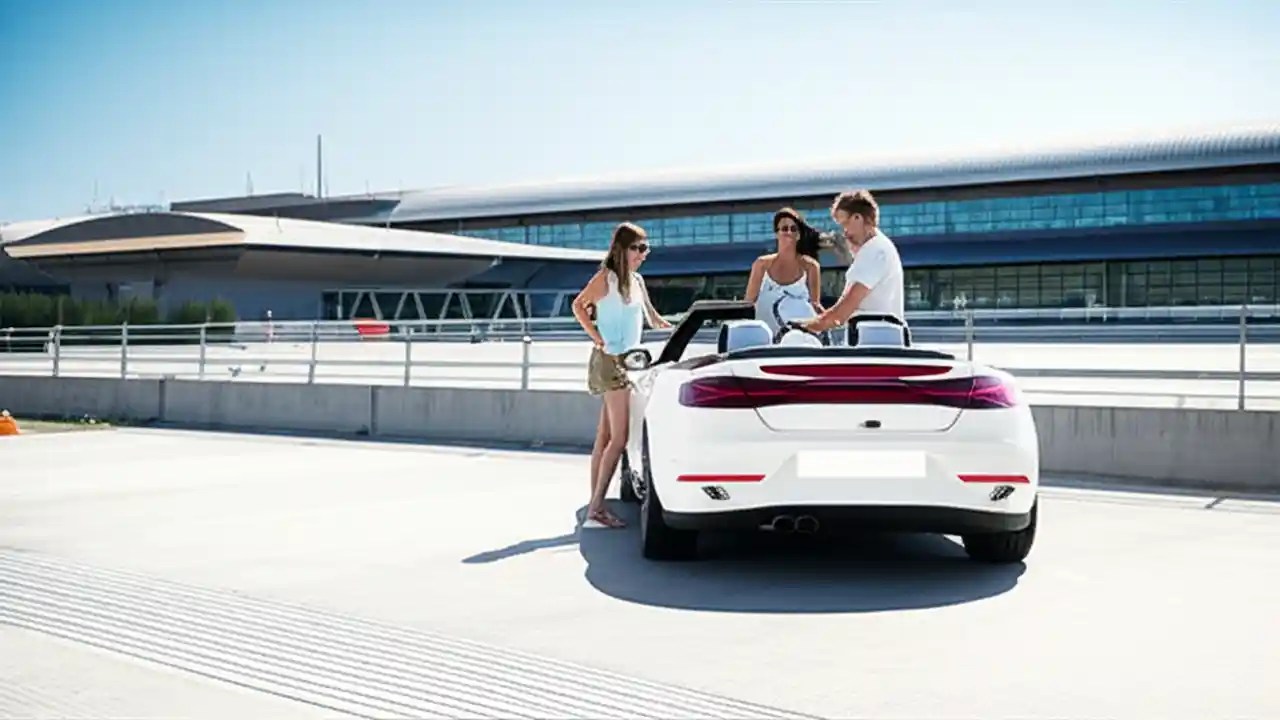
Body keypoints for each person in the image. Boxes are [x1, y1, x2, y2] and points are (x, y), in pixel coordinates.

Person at [570, 222, 671, 529]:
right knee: (620, 438)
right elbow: (578, 306)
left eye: (646, 248)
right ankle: (597, 508)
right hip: (612, 362)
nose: (643, 254)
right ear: (621, 250)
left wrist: (685, 325)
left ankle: (594, 503)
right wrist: (598, 337)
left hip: (630, 363)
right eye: (638, 248)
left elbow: (654, 319)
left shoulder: (636, 281)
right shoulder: (606, 279)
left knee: (604, 436)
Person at [799, 189, 904, 339]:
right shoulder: (879, 248)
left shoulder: (874, 252)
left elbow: (842, 313)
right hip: (878, 341)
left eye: (845, 224)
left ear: (857, 218)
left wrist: (805, 327)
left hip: (872, 344)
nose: (845, 233)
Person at [743, 208, 824, 336]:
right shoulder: (761, 264)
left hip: (797, 338)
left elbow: (815, 306)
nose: (788, 232)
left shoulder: (811, 266)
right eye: (784, 228)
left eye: (793, 229)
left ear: (798, 235)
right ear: (777, 233)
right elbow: (748, 304)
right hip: (764, 340)